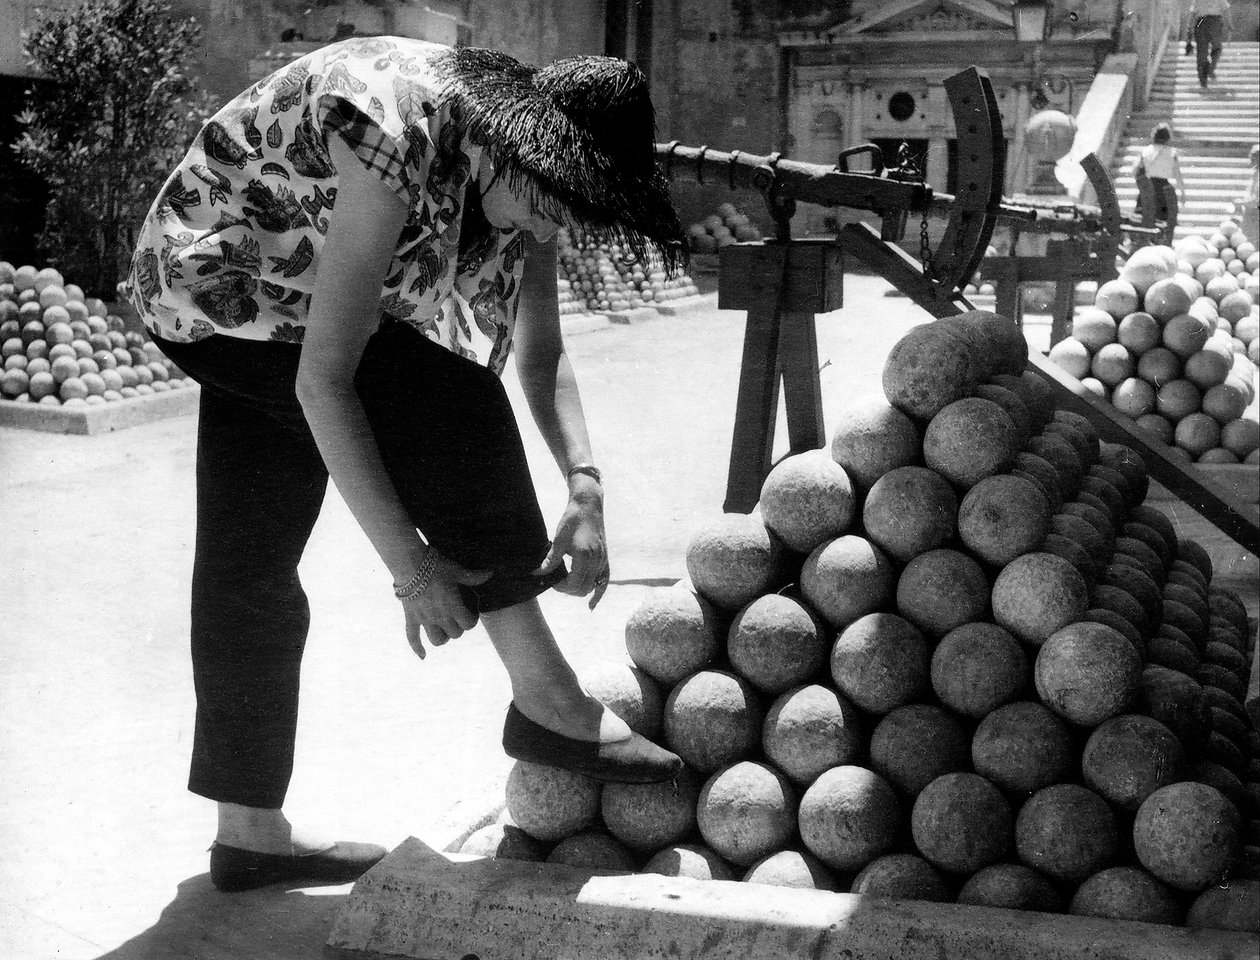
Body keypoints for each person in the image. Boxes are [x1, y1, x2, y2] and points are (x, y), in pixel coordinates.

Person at [128, 36, 687, 892]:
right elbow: (324, 380)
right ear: (518, 146)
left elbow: (542, 356)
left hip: (292, 293)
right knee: (453, 406)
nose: (553, 230)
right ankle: (548, 699)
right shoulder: (397, 131)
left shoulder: (533, 177)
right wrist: (413, 567)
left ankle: (249, 833)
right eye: (556, 206)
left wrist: (586, 482)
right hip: (214, 280)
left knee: (249, 564)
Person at [1133, 123, 1185, 232]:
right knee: (1164, 221)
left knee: (1143, 217)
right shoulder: (1172, 152)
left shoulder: (1145, 150)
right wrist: (1183, 193)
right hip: (1165, 190)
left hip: (1148, 187)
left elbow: (1134, 170)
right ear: (1168, 137)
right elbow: (1177, 175)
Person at [1189, 0, 1232, 89]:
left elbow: (1193, 12)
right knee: (1214, 48)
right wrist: (1229, 25)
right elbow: (1225, 9)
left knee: (1202, 51)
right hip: (1214, 21)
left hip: (1201, 22)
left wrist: (1190, 28)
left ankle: (1203, 80)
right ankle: (1208, 71)